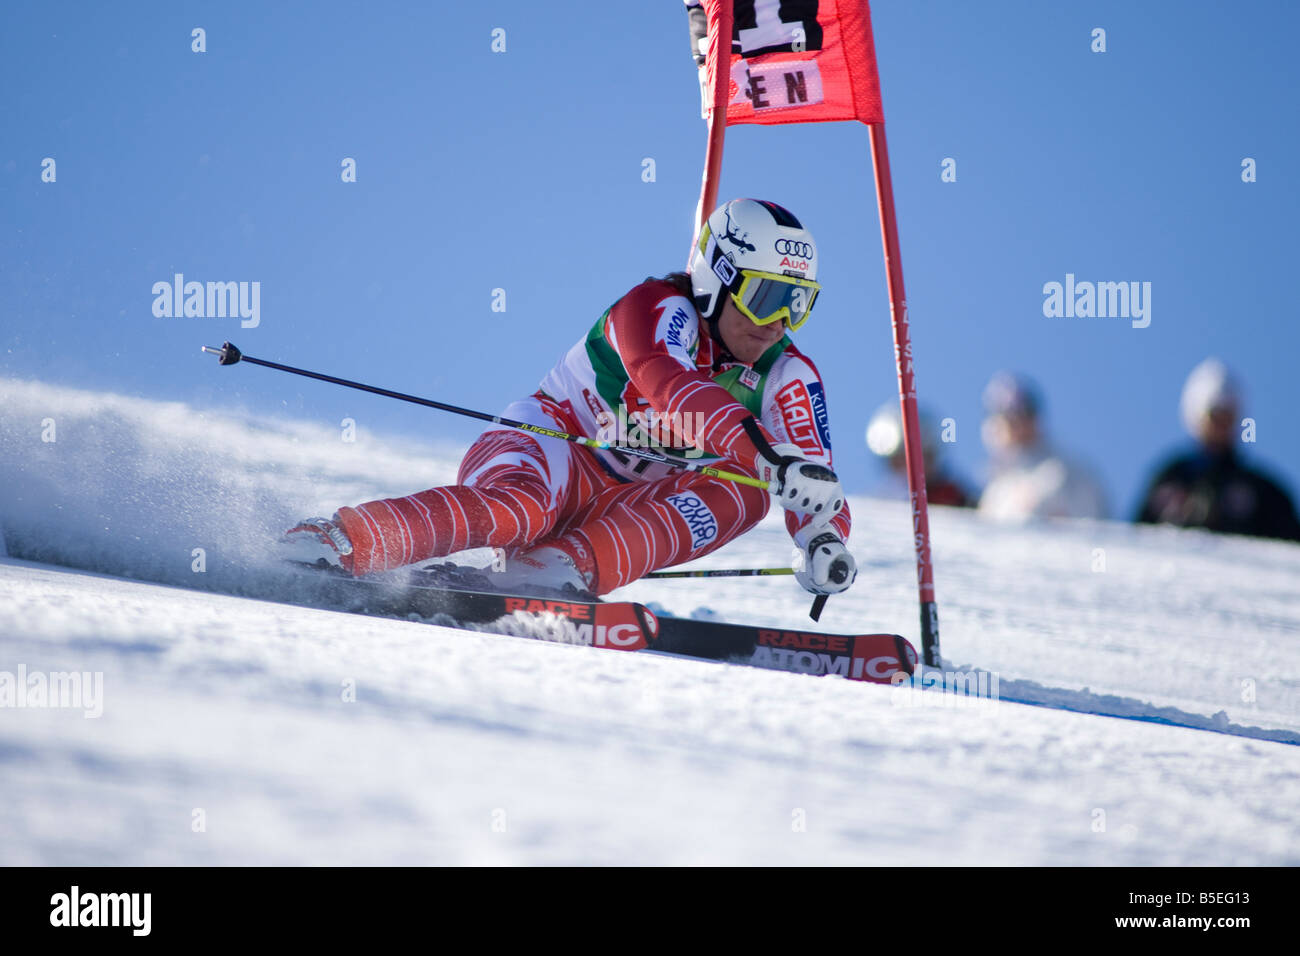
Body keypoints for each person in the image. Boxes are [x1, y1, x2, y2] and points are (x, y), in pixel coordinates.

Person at [285, 199, 857, 597]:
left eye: (798, 303)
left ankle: (560, 568)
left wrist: (823, 540)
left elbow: (814, 476)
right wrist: (763, 454)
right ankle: (341, 540)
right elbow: (672, 386)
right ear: (718, 277)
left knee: (750, 495)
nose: (779, 322)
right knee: (521, 510)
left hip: (625, 505)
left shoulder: (787, 373)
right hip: (550, 449)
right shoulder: (657, 309)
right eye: (765, 297)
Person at [1135, 358, 1300, 541]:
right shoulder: (1170, 479)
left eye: (1227, 415)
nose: (1221, 425)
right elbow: (1134, 540)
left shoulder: (1262, 491)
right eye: (1214, 415)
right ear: (1196, 416)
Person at [977, 372, 1107, 521]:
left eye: (1020, 416)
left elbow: (1090, 527)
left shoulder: (1062, 472)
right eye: (1005, 418)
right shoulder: (996, 489)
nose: (1013, 427)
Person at [865, 401, 973, 507]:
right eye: (896, 462)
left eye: (908, 459)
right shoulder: (884, 503)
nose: (904, 470)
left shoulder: (958, 500)